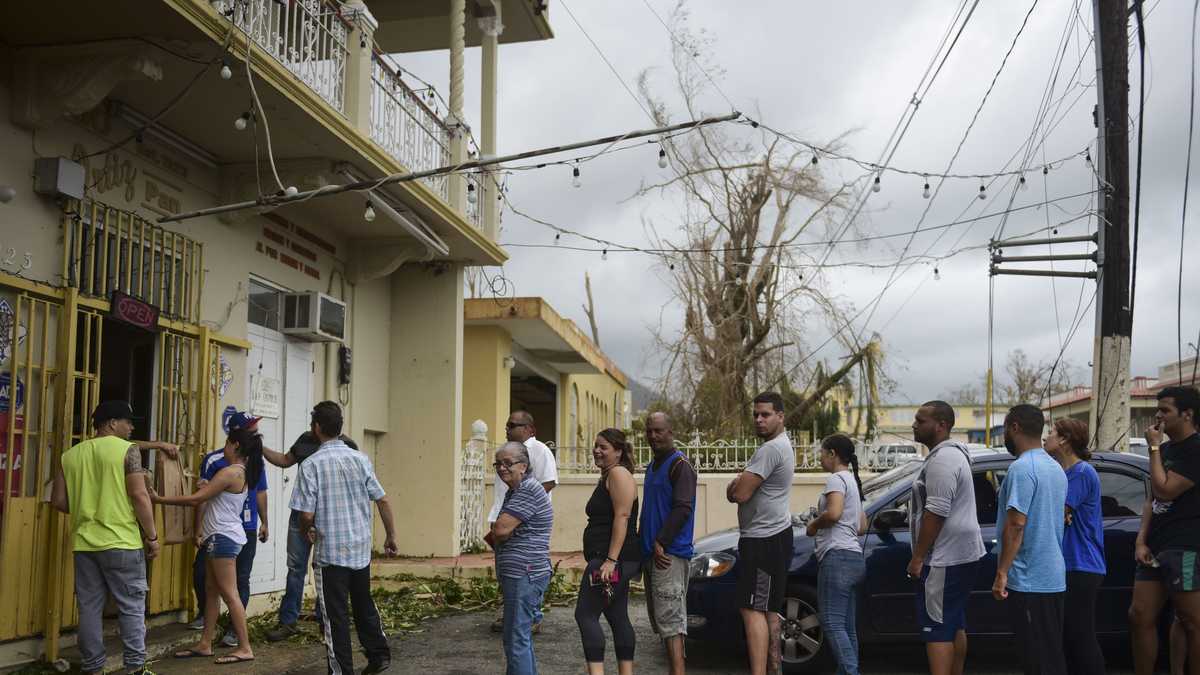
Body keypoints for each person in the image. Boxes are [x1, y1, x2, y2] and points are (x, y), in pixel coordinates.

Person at [50, 401, 159, 675]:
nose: (132, 427)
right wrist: (152, 536)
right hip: (122, 541)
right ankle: (135, 668)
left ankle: (93, 668)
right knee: (132, 607)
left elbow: (59, 501)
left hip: (84, 544)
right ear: (111, 423)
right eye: (128, 421)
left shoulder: (70, 455)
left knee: (88, 609)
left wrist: (89, 507)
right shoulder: (127, 451)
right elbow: (138, 495)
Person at [291, 401, 397, 675]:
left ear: (316, 428)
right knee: (363, 603)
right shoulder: (361, 459)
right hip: (360, 550)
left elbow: (305, 514)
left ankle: (341, 671)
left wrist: (307, 531)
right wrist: (390, 536)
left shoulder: (311, 465)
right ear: (339, 427)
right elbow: (382, 500)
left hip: (330, 554)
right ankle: (378, 654)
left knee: (334, 616)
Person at [155, 426, 264, 665]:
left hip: (223, 537)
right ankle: (205, 643)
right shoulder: (240, 471)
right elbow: (208, 495)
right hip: (223, 535)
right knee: (212, 590)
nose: (224, 448)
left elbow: (196, 499)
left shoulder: (230, 472)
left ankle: (245, 647)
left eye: (226, 444)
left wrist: (159, 498)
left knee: (229, 593)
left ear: (235, 445)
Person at [906, 400, 985, 675]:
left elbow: (936, 513)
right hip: (959, 555)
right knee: (953, 623)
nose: (914, 425)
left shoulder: (943, 460)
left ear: (941, 425)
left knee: (937, 629)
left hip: (943, 559)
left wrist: (917, 558)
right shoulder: (950, 455)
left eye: (920, 420)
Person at [991, 404, 1068, 675]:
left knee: (1037, 659)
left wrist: (1002, 572)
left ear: (1015, 428)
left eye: (1004, 429)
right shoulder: (1055, 467)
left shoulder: (1022, 469)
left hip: (1030, 579)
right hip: (1052, 577)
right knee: (1049, 654)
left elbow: (1016, 525)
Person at [262, 428, 359, 641]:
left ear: (320, 424)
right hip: (301, 515)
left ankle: (325, 623)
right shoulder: (305, 439)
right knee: (296, 568)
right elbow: (284, 460)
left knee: (325, 570)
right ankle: (288, 622)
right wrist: (260, 447)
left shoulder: (347, 446)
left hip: (328, 517)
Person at [1130, 385, 1200, 675]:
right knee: (1139, 615)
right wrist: (1141, 540)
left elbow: (1166, 489)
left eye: (1165, 410)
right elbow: (1151, 498)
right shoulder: (1166, 449)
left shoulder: (1195, 449)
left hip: (1185, 545)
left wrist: (1154, 447)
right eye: (1157, 409)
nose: (1158, 416)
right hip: (1156, 545)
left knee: (1191, 620)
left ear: (1187, 414)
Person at [726, 392, 794, 675]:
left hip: (764, 540)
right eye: (755, 414)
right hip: (774, 536)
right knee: (768, 608)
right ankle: (773, 668)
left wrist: (735, 484)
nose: (758, 419)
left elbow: (739, 492)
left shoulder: (770, 450)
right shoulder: (781, 445)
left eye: (765, 414)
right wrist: (738, 483)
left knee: (751, 607)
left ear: (780, 416)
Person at [189, 411, 269, 647]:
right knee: (206, 579)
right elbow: (202, 497)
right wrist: (198, 529)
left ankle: (238, 636)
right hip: (218, 531)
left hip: (242, 528)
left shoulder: (253, 462)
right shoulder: (215, 462)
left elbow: (262, 492)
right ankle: (207, 631)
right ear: (236, 437)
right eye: (250, 429)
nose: (254, 432)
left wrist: (265, 521)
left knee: (237, 583)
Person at [575, 428, 641, 675]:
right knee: (616, 615)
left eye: (603, 447)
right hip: (617, 561)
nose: (597, 450)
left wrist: (610, 560)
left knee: (585, 615)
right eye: (596, 446)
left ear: (619, 451)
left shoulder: (618, 474)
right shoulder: (610, 475)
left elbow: (623, 516)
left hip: (611, 561)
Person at [1044, 417, 1106, 675]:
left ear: (1065, 440)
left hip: (1081, 564)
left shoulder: (1081, 472)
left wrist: (1060, 512)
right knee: (1068, 637)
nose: (1046, 437)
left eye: (1051, 432)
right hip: (1068, 564)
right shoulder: (1063, 473)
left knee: (1080, 635)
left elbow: (1057, 514)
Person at [487, 441, 554, 675]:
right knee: (517, 637)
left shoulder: (528, 490)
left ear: (523, 466)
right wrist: (501, 529)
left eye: (508, 463)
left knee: (516, 639)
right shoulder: (515, 490)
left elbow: (501, 530)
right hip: (521, 573)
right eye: (498, 463)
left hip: (525, 573)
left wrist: (501, 529)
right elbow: (500, 530)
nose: (502, 468)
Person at [489, 410, 558, 633]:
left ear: (529, 429)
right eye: (507, 425)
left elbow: (548, 482)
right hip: (505, 516)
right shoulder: (505, 454)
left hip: (523, 522)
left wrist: (521, 510)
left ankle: (531, 617)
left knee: (525, 571)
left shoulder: (539, 450)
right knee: (505, 568)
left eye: (513, 425)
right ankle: (513, 613)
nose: (507, 429)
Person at [640, 411, 697, 675]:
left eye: (659, 431)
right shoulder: (653, 466)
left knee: (672, 623)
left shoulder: (680, 465)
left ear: (671, 431)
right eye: (649, 431)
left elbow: (683, 508)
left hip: (669, 555)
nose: (653, 436)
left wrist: (662, 541)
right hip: (653, 555)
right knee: (662, 622)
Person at [806, 434, 867, 675]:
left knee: (831, 623)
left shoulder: (836, 479)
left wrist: (813, 525)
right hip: (854, 558)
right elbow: (861, 525)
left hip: (837, 558)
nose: (819, 457)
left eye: (822, 452)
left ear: (832, 454)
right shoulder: (852, 481)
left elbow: (833, 514)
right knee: (846, 627)